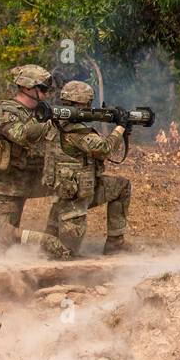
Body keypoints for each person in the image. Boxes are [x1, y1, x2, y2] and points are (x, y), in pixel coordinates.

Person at [0, 64, 65, 256]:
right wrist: (48, 121)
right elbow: (21, 135)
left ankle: (52, 244)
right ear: (26, 88)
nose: (46, 93)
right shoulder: (5, 112)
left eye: (47, 89)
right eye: (42, 88)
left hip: (32, 177)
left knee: (69, 188)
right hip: (4, 184)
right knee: (2, 238)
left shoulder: (42, 110)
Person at [43, 80, 133, 257]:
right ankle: (17, 235)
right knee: (65, 252)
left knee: (121, 186)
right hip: (74, 197)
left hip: (79, 189)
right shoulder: (76, 131)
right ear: (85, 103)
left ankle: (116, 243)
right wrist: (121, 127)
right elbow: (104, 149)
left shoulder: (53, 123)